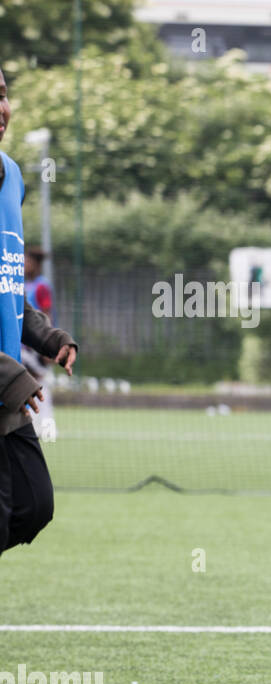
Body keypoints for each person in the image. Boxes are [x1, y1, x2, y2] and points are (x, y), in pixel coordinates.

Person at [0, 68, 78, 556]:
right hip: (7, 385)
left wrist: (48, 337)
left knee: (33, 504)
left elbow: (6, 286)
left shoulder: (13, 177)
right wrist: (12, 376)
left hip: (5, 400)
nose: (0, 109)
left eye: (2, 96)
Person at [20, 246, 56, 436]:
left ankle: (48, 428)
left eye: (27, 262)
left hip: (35, 345)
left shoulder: (42, 285)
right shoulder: (23, 284)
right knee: (26, 382)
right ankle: (33, 425)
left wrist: (46, 345)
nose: (24, 265)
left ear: (35, 264)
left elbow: (46, 314)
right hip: (23, 344)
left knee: (39, 382)